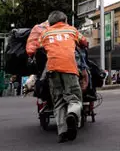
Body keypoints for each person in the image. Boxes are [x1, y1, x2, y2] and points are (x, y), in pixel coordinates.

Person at [38, 10, 88, 143]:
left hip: (52, 68)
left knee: (58, 100)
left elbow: (40, 47)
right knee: (74, 97)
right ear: (65, 20)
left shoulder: (45, 33)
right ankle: (72, 114)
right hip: (69, 68)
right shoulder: (72, 30)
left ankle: (62, 132)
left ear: (50, 23)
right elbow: (84, 42)